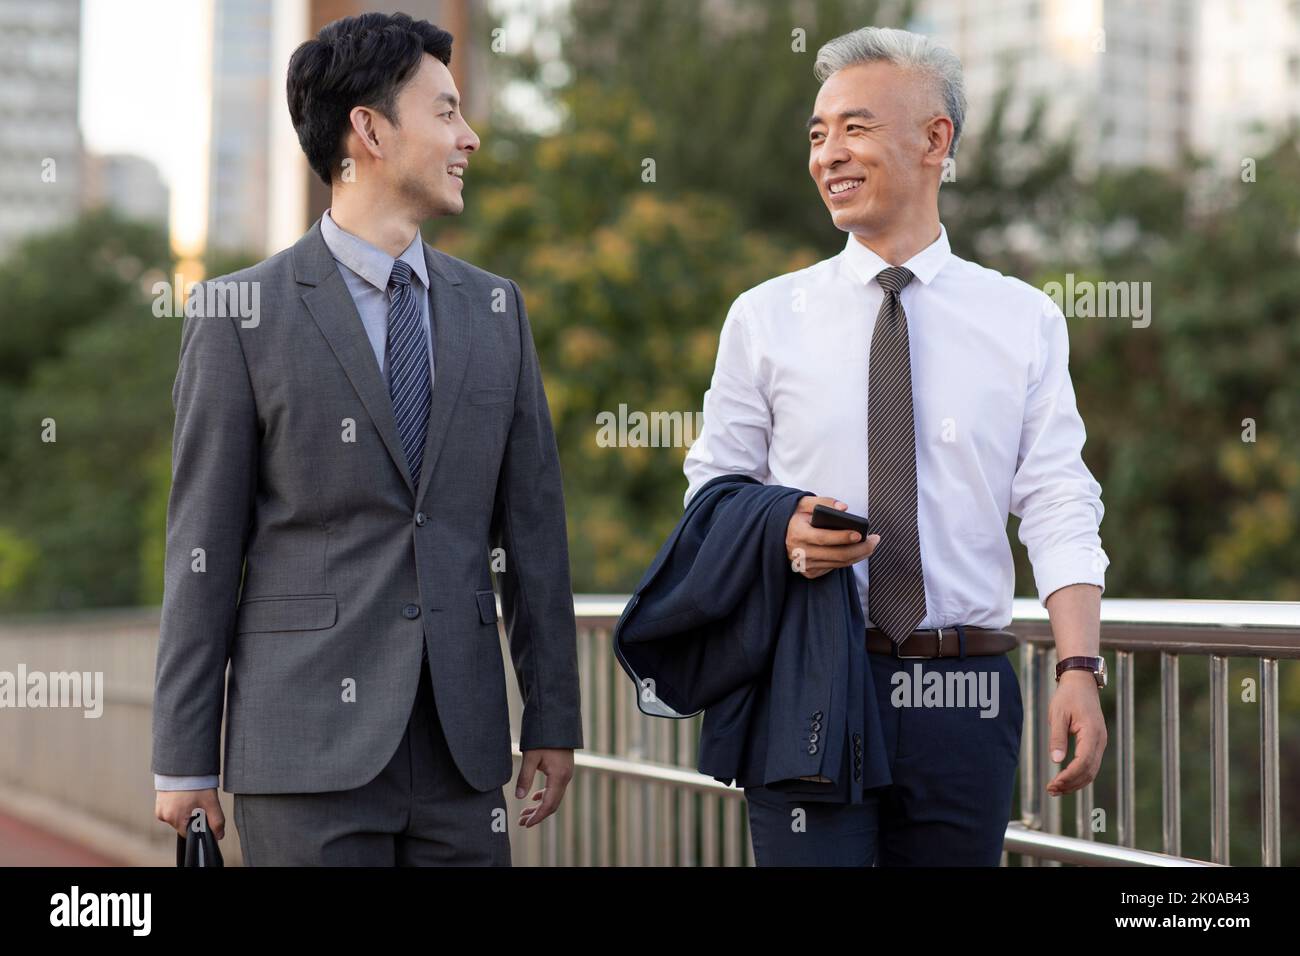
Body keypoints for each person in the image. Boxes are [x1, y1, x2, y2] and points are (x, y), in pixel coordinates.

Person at [152, 12, 582, 866]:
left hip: (463, 751)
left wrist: (554, 716)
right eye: (447, 112)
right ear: (371, 130)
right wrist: (184, 755)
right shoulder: (242, 315)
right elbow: (201, 545)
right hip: (305, 748)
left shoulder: (496, 311)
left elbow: (534, 536)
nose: (471, 136)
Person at [683, 25, 1109, 866]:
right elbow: (711, 497)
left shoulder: (1023, 319)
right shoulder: (764, 318)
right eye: (817, 132)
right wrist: (780, 530)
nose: (828, 153)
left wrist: (1079, 667)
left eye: (855, 127)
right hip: (811, 677)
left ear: (935, 140)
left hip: (967, 691)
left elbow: (1060, 498)